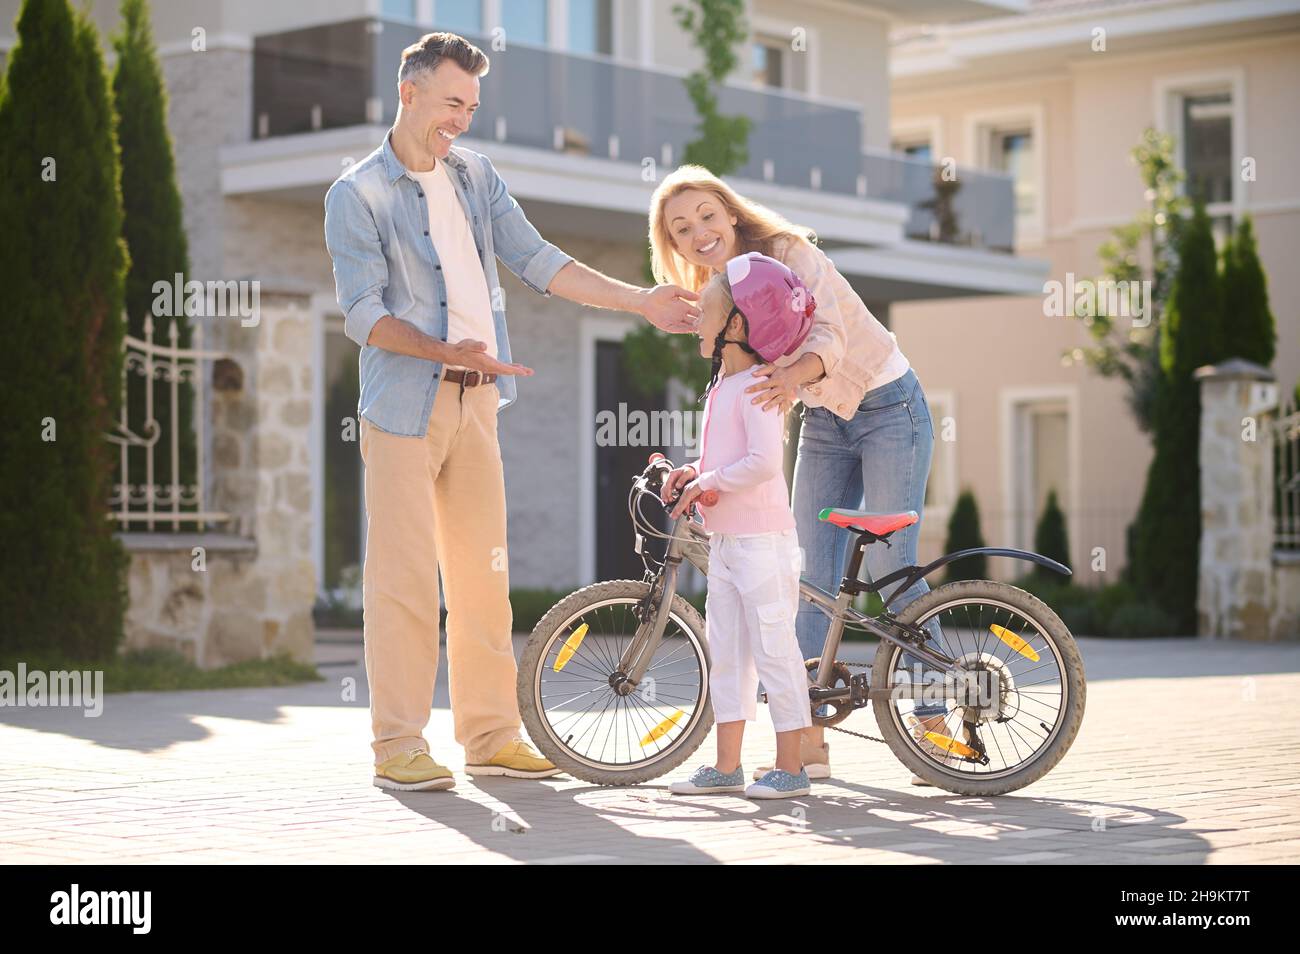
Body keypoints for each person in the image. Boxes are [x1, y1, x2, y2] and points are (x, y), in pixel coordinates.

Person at [323, 32, 700, 791]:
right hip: (404, 406)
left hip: (479, 404)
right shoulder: (355, 193)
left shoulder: (475, 176)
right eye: (451, 102)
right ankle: (397, 744)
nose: (460, 118)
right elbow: (362, 315)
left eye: (471, 105)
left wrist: (642, 301)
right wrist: (448, 352)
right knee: (402, 581)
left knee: (482, 578)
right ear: (409, 93)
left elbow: (540, 261)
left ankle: (490, 734)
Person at [648, 165, 949, 787]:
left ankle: (935, 720)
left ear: (730, 212)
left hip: (886, 403)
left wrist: (792, 375)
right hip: (822, 416)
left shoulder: (785, 254)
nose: (699, 232)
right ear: (673, 245)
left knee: (894, 568)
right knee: (808, 574)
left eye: (707, 215)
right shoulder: (719, 292)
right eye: (682, 228)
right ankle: (807, 741)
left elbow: (831, 334)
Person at [661, 253, 817, 799]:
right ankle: (726, 766)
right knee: (726, 650)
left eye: (706, 313)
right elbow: (725, 463)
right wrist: (695, 474)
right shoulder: (720, 387)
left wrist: (712, 482)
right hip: (726, 542)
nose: (697, 322)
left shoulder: (759, 385)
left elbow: (763, 463)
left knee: (775, 649)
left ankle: (792, 768)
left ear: (735, 326)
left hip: (763, 542)